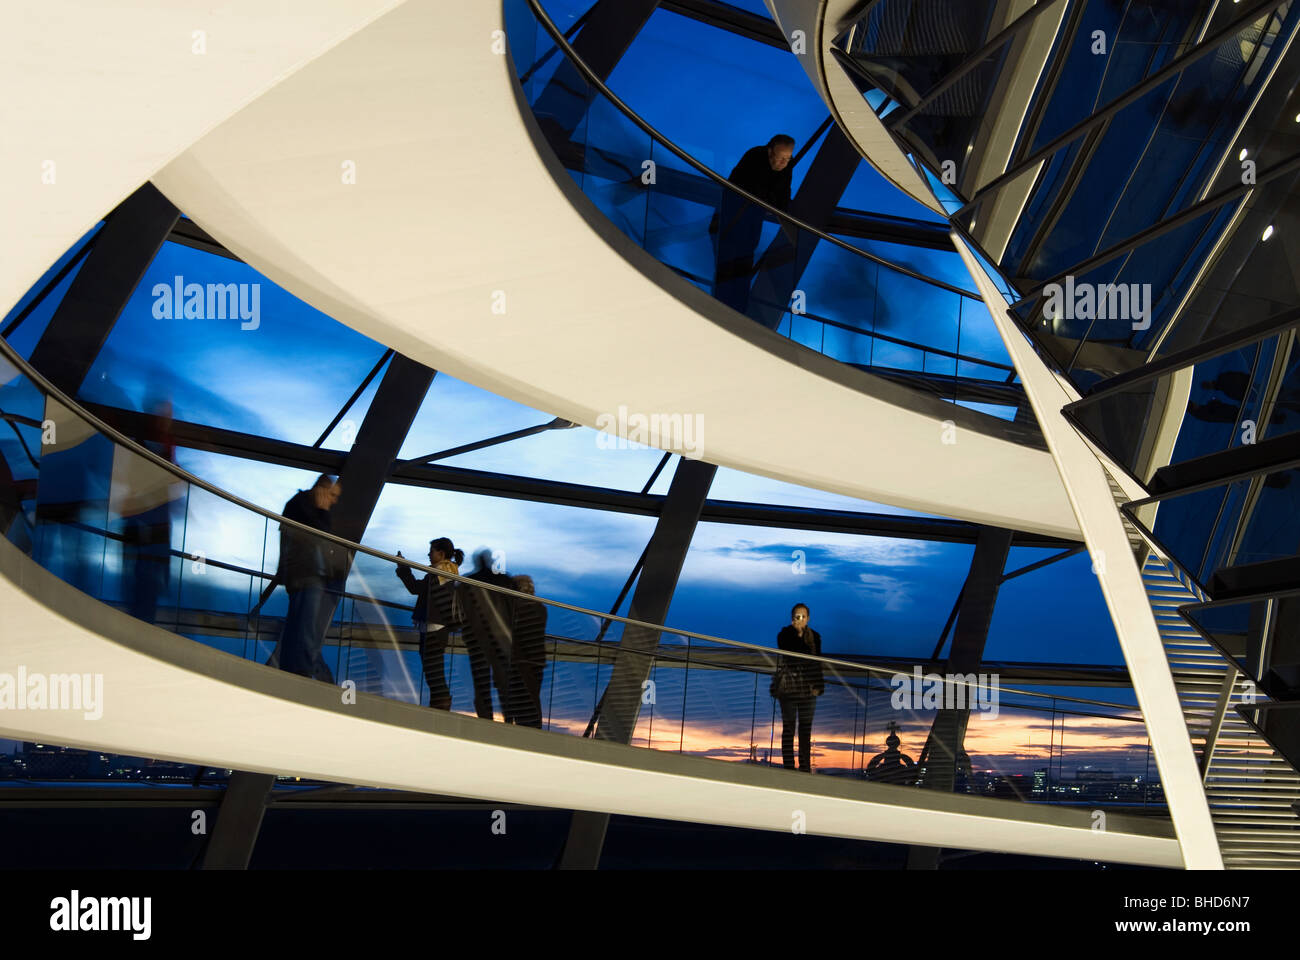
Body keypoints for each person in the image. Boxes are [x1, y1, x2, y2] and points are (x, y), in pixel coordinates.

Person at [711, 134, 795, 313]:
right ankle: (721, 306)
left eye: (787, 159)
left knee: (744, 260)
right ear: (769, 151)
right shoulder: (755, 157)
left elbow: (781, 197)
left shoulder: (785, 167)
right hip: (733, 217)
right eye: (780, 158)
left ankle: (738, 308)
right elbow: (758, 190)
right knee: (729, 258)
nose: (783, 163)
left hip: (750, 221)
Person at [276, 474, 344, 681]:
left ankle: (291, 669)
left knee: (299, 623)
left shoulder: (297, 505)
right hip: (307, 573)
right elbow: (322, 535)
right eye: (332, 495)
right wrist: (322, 512)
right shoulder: (304, 505)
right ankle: (303, 672)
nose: (333, 501)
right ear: (321, 489)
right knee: (306, 626)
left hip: (300, 574)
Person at [395, 537, 464, 710]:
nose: (428, 554)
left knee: (433, 672)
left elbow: (415, 588)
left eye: (431, 551)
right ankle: (439, 706)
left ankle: (440, 707)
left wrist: (403, 568)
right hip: (438, 630)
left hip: (433, 629)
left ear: (441, 554)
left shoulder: (439, 575)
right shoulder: (449, 573)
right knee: (434, 671)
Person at [459, 548, 515, 720]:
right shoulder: (505, 581)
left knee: (481, 684)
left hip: (477, 639)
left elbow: (461, 611)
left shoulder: (467, 583)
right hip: (502, 639)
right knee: (504, 682)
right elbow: (514, 610)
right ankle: (509, 719)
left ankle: (485, 720)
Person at [771, 602, 824, 772]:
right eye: (796, 616)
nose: (799, 619)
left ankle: (804, 767)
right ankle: (788, 767)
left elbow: (816, 661)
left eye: (802, 616)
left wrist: (818, 685)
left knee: (805, 730)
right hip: (789, 688)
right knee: (789, 728)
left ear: (808, 618)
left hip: (808, 688)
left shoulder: (815, 637)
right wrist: (798, 635)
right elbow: (793, 654)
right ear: (792, 618)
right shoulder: (785, 635)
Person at [505, 574, 548, 728]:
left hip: (520, 660)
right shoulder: (541, 609)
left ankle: (513, 728)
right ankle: (534, 731)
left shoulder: (517, 609)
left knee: (516, 698)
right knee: (532, 699)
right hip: (536, 661)